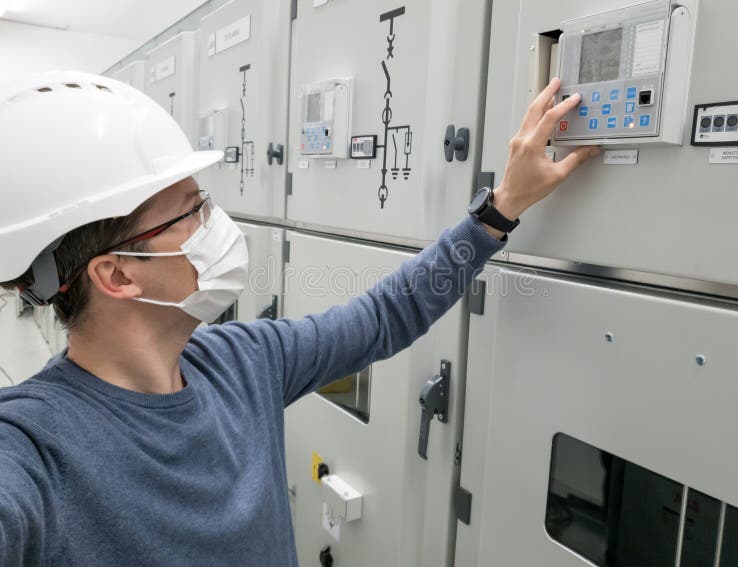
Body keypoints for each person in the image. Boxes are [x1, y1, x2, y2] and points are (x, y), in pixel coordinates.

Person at [0, 71, 598, 566]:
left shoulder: (241, 361)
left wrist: (500, 211)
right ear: (118, 275)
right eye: (191, 212)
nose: (217, 223)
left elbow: (386, 315)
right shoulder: (35, 445)